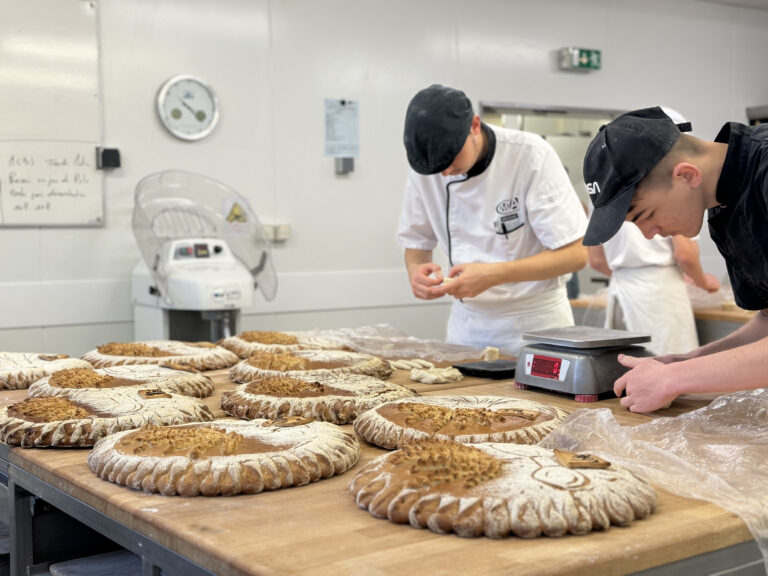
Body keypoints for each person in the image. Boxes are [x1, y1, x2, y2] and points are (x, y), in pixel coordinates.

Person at [582, 105, 768, 413]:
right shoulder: (723, 204)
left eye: (646, 216)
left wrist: (678, 378)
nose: (649, 234)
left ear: (685, 175)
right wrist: (687, 362)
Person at [397, 84, 588, 356]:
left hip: (536, 325)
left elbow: (577, 255)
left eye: (452, 159)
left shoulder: (530, 155)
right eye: (437, 169)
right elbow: (416, 242)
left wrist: (493, 274)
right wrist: (416, 272)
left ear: (475, 125)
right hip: (467, 326)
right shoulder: (429, 171)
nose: (447, 172)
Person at [586, 108, 720, 356]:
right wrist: (703, 282)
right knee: (667, 374)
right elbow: (686, 254)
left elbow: (596, 260)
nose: (650, 232)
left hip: (620, 289)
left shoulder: (613, 186)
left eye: (645, 217)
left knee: (627, 374)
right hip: (658, 294)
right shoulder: (672, 193)